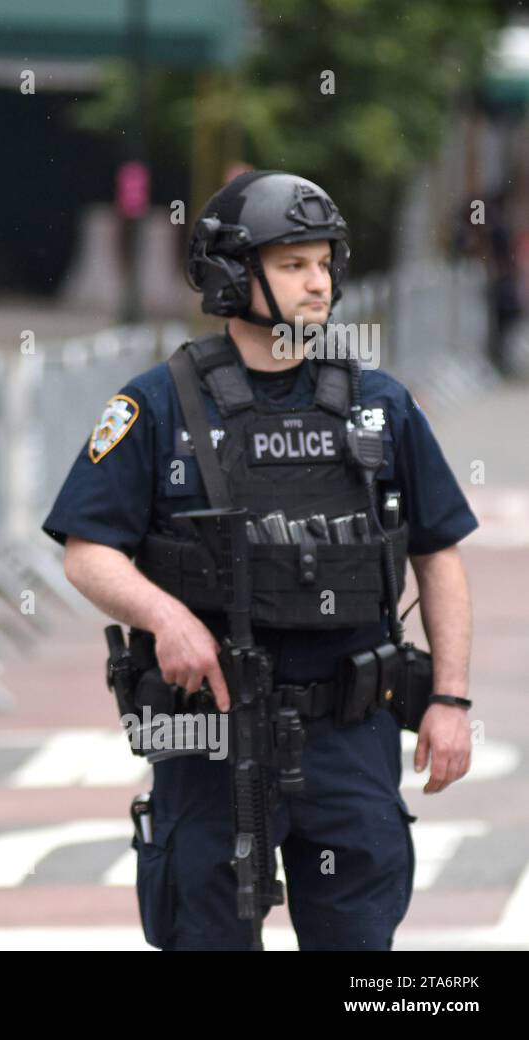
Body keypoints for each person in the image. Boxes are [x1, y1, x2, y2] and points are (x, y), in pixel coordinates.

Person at [43, 170, 477, 951]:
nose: (320, 283)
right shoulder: (156, 404)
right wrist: (165, 616)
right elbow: (87, 552)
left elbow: (437, 550)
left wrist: (450, 699)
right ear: (233, 276)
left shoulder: (381, 403)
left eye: (325, 263)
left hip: (351, 733)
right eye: (293, 265)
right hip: (211, 732)